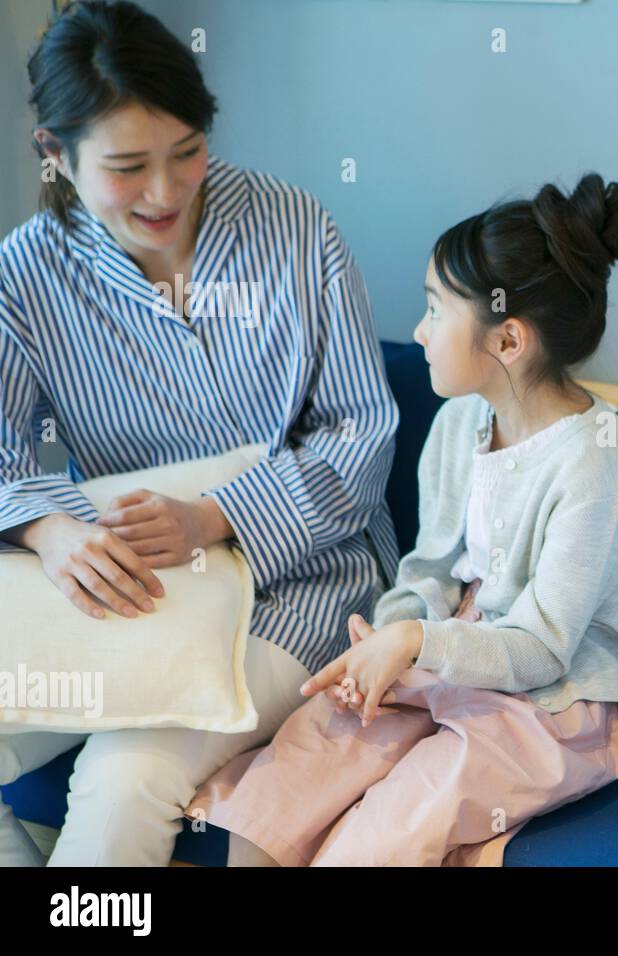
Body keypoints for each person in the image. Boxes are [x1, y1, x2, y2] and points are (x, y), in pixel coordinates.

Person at [0, 0, 398, 866]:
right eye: (128, 167)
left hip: (305, 585)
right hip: (128, 593)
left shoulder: (296, 228)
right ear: (56, 157)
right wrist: (51, 528)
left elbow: (362, 435)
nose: (166, 191)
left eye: (187, 152)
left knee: (126, 775)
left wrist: (214, 517)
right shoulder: (26, 272)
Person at [186, 173, 618, 867]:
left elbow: (542, 647)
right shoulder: (460, 422)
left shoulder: (596, 464)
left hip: (561, 696)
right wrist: (383, 640)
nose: (418, 332)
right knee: (289, 775)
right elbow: (432, 568)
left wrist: (414, 641)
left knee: (392, 829)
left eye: (436, 311)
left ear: (507, 341)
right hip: (454, 651)